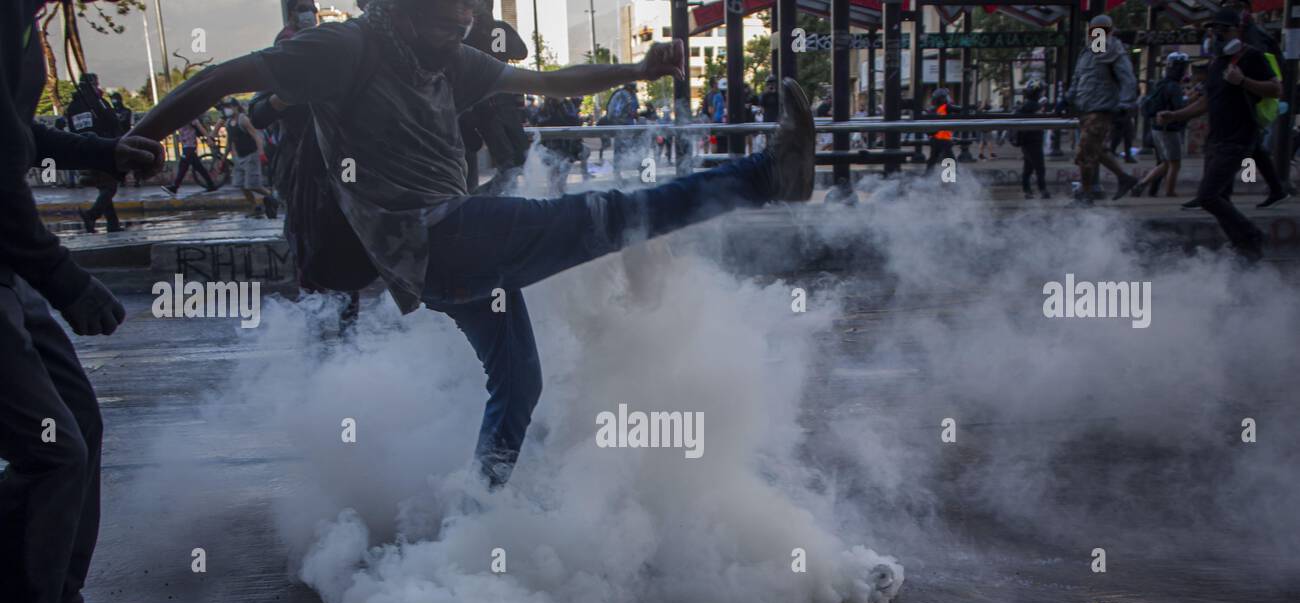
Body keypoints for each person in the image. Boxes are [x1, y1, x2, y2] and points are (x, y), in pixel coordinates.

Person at [131, 0, 815, 490]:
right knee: (612, 215)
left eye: (465, 17)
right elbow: (221, 79)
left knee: (519, 381)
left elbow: (548, 82)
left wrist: (634, 74)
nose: (457, 28)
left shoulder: (451, 57)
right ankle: (766, 175)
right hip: (433, 235)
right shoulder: (343, 48)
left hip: (447, 254)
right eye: (443, 18)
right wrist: (138, 138)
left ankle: (478, 514)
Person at [2, 0, 163, 603]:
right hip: (17, 260)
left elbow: (12, 133)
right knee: (51, 453)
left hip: (10, 269)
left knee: (81, 429)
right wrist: (66, 281)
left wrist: (100, 152)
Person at [1157, 9, 1281, 259]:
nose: (1217, 36)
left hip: (1238, 138)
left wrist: (1243, 81)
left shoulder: (1252, 57)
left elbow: (1275, 89)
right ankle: (1244, 248)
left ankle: (1250, 235)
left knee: (1208, 196)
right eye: (1213, 31)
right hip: (1216, 140)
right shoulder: (1218, 63)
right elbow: (1206, 102)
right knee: (1221, 196)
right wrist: (1176, 115)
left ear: (1237, 31)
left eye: (1223, 30)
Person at [1064, 15, 1140, 205]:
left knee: (1085, 153)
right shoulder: (1087, 52)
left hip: (1101, 109)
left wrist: (1125, 103)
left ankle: (1086, 194)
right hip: (1086, 108)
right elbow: (1078, 78)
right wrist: (1068, 97)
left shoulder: (1114, 51)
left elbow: (1128, 79)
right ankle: (1124, 178)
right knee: (1095, 150)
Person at [1222, 0, 1289, 207]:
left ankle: (1219, 193)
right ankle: (1276, 189)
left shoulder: (1252, 35)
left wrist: (1242, 81)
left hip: (1250, 97)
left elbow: (1256, 64)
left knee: (1235, 146)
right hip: (1247, 96)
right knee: (1253, 148)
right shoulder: (1244, 32)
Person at [459, 0, 530, 194]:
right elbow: (521, 52)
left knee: (503, 161)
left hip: (477, 102)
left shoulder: (465, 30)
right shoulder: (500, 28)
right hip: (497, 102)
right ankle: (479, 198)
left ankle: (476, 197)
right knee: (514, 160)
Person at [66, 73, 125, 232]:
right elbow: (112, 121)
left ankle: (113, 224)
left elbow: (71, 130)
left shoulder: (72, 107)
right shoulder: (97, 102)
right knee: (110, 187)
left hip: (83, 150)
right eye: (96, 84)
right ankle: (91, 215)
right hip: (102, 148)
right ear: (92, 85)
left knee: (103, 186)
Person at [1134, 52, 1189, 198]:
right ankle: (1170, 191)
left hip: (1157, 128)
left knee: (1165, 163)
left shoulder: (1161, 83)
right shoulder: (1174, 87)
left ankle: (1142, 184)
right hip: (1169, 128)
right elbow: (1179, 108)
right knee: (1175, 163)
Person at [222, 98, 278, 218]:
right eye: (225, 107)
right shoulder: (228, 123)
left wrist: (261, 153)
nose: (227, 109)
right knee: (240, 185)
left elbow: (256, 136)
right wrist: (223, 159)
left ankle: (272, 196)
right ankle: (255, 207)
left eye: (229, 106)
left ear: (236, 107)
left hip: (251, 156)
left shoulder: (243, 119)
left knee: (252, 185)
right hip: (238, 158)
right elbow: (229, 141)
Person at [161, 117, 219, 194]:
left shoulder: (190, 117)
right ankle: (211, 185)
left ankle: (174, 187)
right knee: (198, 167)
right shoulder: (179, 119)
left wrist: (208, 139)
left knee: (183, 165)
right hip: (186, 146)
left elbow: (200, 127)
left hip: (190, 146)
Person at [1014, 81, 1049, 198]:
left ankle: (1027, 190)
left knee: (1028, 167)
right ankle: (1042, 189)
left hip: (1028, 140)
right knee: (1039, 167)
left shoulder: (1028, 105)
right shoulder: (1033, 105)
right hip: (1033, 140)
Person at [924, 88, 955, 175]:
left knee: (933, 159)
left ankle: (926, 178)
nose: (948, 99)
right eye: (946, 97)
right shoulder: (945, 108)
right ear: (942, 99)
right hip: (943, 140)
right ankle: (950, 181)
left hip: (935, 139)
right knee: (950, 160)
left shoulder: (932, 110)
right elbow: (960, 110)